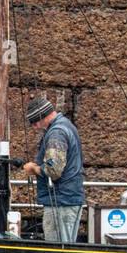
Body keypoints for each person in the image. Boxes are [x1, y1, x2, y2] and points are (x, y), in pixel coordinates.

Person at [22, 96, 85, 243]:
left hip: (61, 202)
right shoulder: (67, 126)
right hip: (68, 199)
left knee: (57, 251)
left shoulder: (57, 133)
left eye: (34, 122)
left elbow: (53, 170)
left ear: (43, 116)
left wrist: (34, 168)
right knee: (66, 248)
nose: (34, 127)